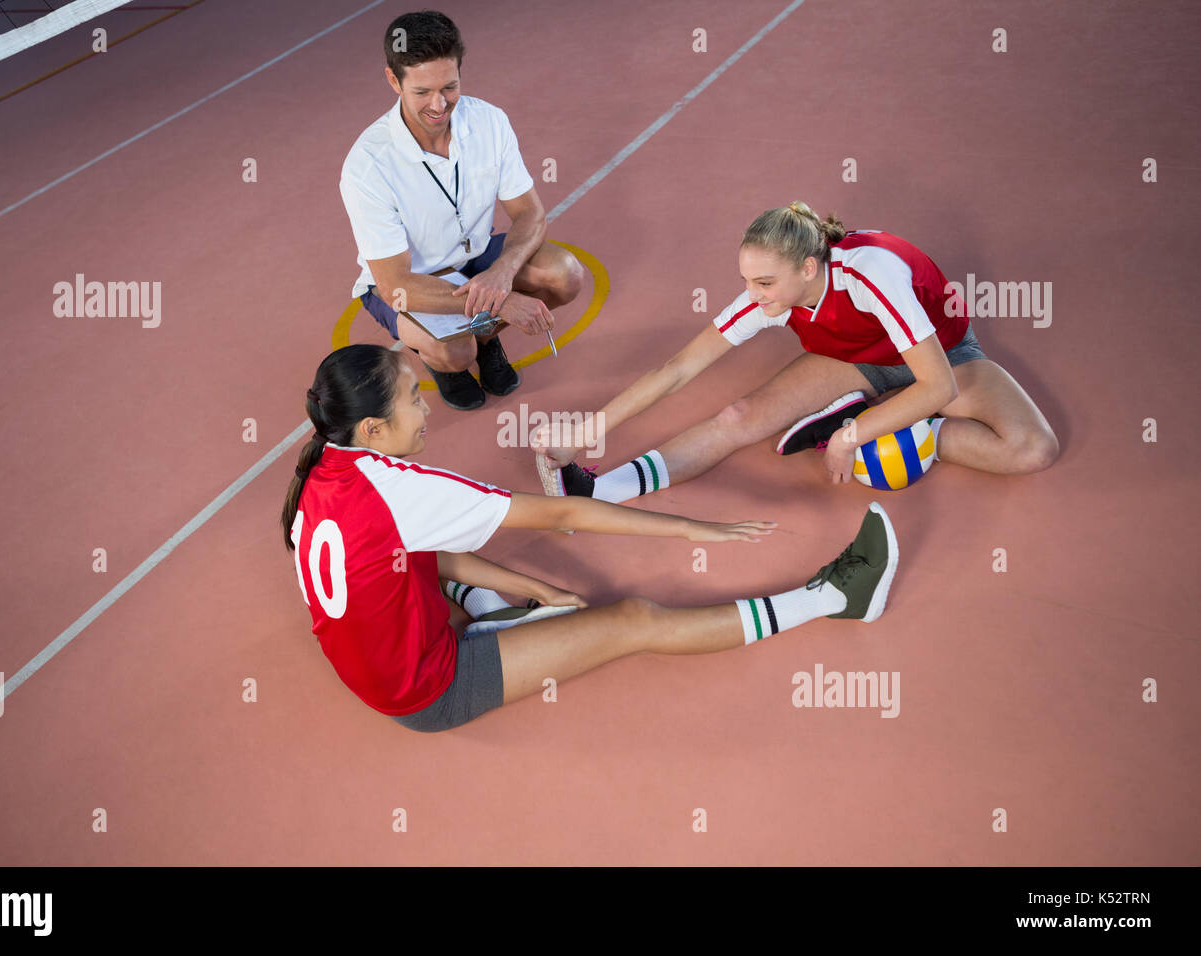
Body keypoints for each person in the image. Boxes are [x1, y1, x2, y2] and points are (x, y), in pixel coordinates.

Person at [281, 343, 900, 733]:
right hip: (428, 690)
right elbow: (555, 515)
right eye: (415, 399)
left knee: (446, 562)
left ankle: (502, 614)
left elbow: (419, 553)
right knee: (634, 619)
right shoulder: (400, 489)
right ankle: (834, 598)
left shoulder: (319, 473)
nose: (427, 409)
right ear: (373, 427)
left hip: (374, 667)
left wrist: (533, 585)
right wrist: (687, 528)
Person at [531, 201, 1059, 502]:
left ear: (809, 268)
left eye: (764, 282)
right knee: (739, 417)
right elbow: (676, 371)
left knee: (1031, 450)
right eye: (746, 281)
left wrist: (852, 437)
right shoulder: (770, 299)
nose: (753, 295)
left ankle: (907, 430)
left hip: (941, 356)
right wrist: (585, 433)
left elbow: (937, 386)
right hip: (856, 359)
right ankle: (597, 493)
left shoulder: (871, 275)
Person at [338, 10, 583, 411]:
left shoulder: (489, 121)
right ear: (392, 80)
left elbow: (530, 214)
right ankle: (451, 362)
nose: (439, 105)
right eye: (421, 92)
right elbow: (395, 284)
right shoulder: (367, 165)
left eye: (449, 87)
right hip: (415, 278)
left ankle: (485, 339)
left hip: (477, 257)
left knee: (566, 276)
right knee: (454, 353)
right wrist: (501, 302)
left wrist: (500, 275)